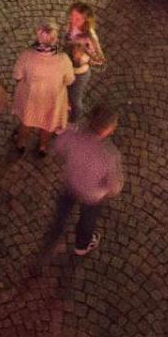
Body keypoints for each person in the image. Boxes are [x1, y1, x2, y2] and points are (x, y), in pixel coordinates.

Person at [42, 106, 125, 261]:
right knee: (88, 218)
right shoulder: (109, 154)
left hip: (71, 182)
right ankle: (81, 245)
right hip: (92, 195)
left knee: (63, 209)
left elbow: (58, 147)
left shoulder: (74, 135)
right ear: (108, 129)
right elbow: (115, 186)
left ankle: (56, 230)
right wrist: (106, 190)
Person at [10, 24, 77, 156]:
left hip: (30, 99)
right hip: (52, 101)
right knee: (47, 125)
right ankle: (42, 147)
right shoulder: (63, 59)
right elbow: (70, 80)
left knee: (26, 123)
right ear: (55, 39)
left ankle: (21, 144)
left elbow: (17, 75)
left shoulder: (27, 55)